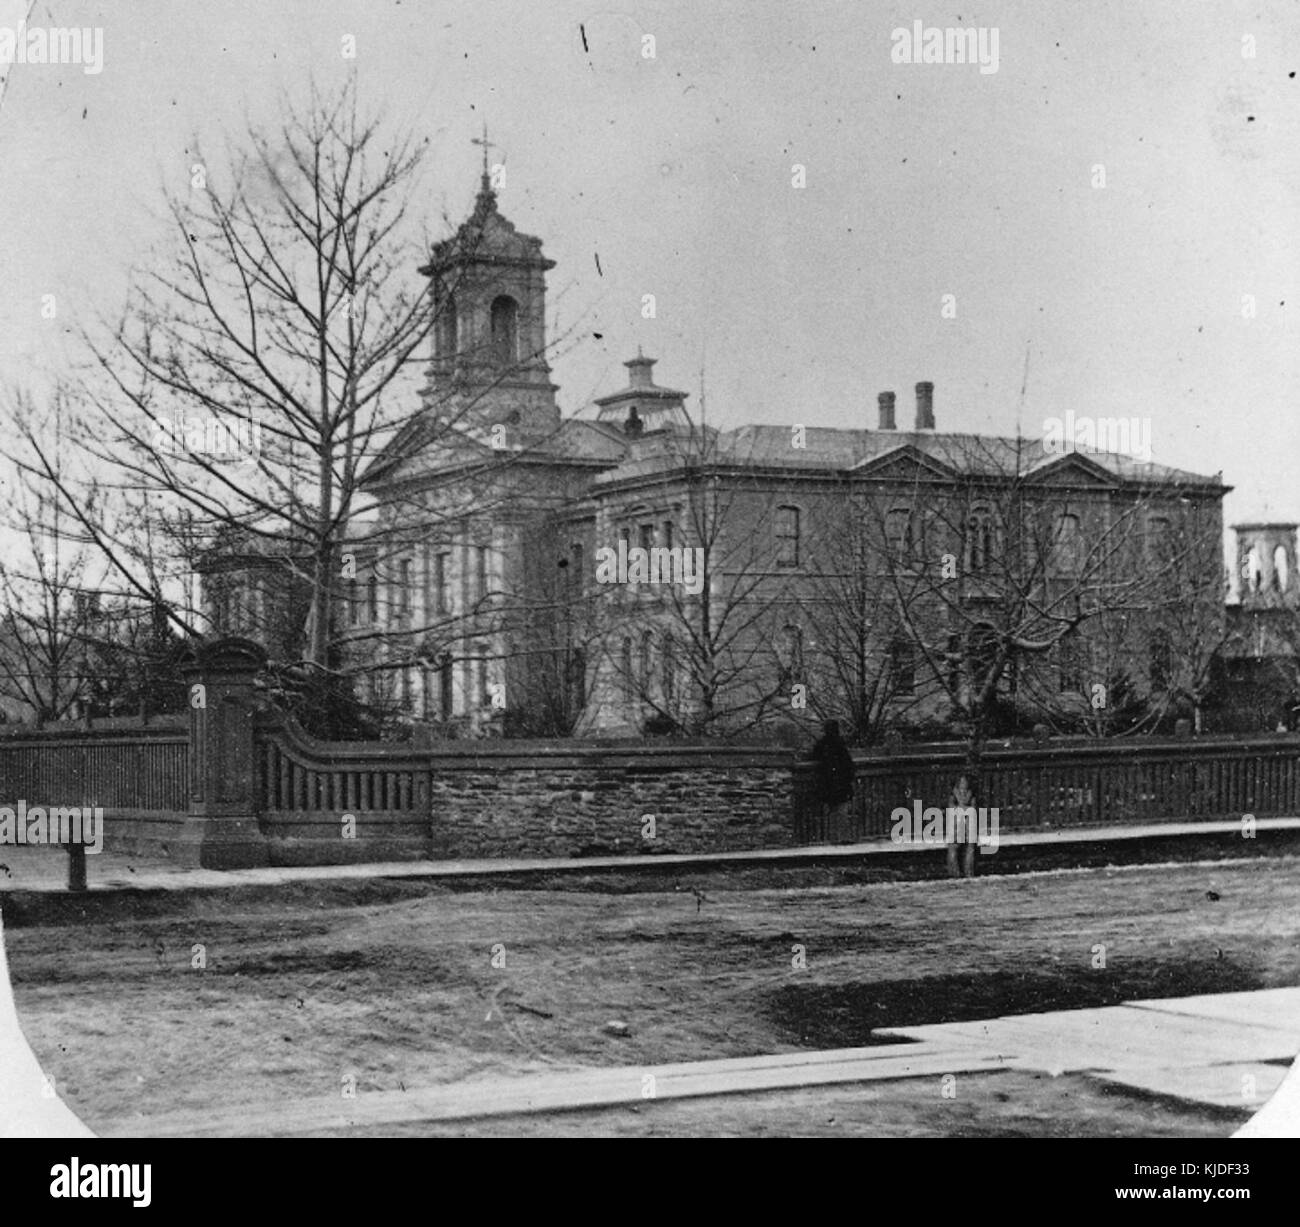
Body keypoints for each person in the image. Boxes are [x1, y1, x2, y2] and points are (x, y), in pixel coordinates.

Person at [807, 720, 855, 843]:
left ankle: (833, 838)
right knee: (842, 811)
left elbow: (814, 755)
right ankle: (844, 837)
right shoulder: (840, 744)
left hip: (828, 783)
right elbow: (849, 765)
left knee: (832, 811)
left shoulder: (822, 744)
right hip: (842, 783)